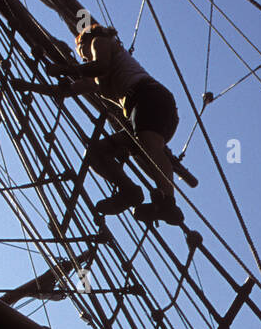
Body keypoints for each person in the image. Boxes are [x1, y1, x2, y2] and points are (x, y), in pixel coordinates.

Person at [59, 18, 184, 225]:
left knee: (150, 145)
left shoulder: (98, 41)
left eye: (81, 50)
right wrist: (39, 87)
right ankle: (129, 191)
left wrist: (69, 70)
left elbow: (98, 66)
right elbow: (80, 85)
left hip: (148, 98)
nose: (82, 57)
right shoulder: (99, 73)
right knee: (96, 152)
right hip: (146, 111)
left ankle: (167, 202)